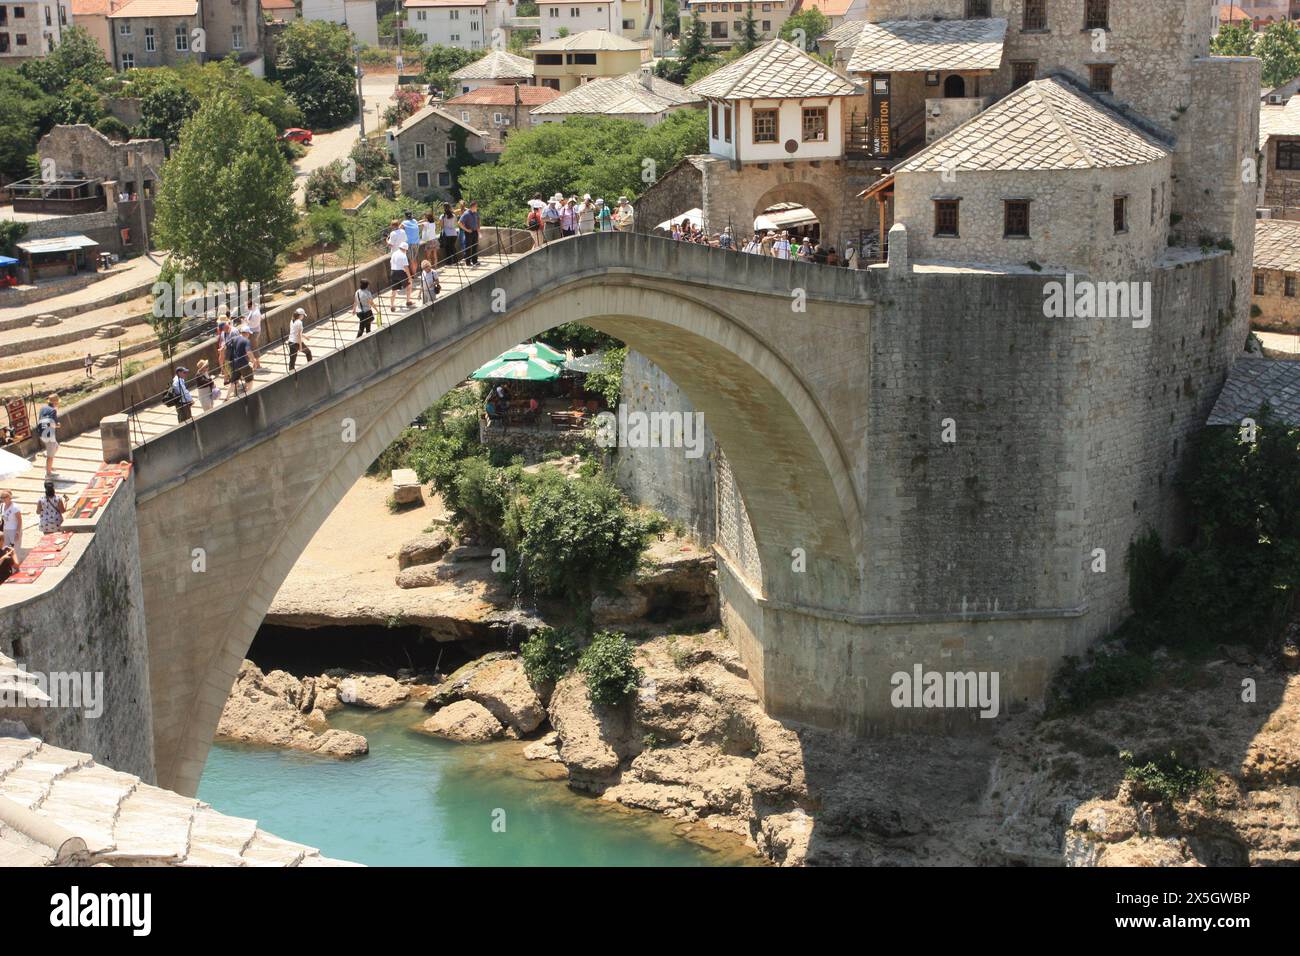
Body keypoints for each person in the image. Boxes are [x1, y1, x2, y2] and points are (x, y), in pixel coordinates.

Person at [36, 394, 59, 478]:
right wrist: (58, 425)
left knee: (56, 446)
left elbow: (41, 419)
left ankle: (48, 464)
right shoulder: (53, 411)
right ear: (55, 402)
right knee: (50, 456)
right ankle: (48, 473)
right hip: (49, 434)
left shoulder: (43, 408)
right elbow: (55, 424)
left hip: (42, 433)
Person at [227, 329, 252, 397]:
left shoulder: (233, 338)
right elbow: (249, 352)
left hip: (233, 363)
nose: (249, 335)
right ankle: (249, 394)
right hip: (243, 363)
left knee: (233, 382)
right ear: (246, 333)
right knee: (250, 380)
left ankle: (227, 398)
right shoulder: (246, 341)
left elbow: (225, 347)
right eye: (249, 333)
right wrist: (254, 360)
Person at [389, 241, 413, 310]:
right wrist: (409, 277)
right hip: (401, 273)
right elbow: (406, 267)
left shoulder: (394, 253)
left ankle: (392, 305)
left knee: (394, 290)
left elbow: (391, 263)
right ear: (405, 249)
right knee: (409, 285)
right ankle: (408, 301)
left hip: (393, 272)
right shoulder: (403, 255)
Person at [244, 299, 264, 371]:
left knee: (254, 347)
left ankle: (257, 364)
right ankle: (256, 364)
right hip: (253, 331)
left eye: (247, 306)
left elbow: (253, 324)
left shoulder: (255, 313)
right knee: (252, 347)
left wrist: (246, 321)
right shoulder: (254, 310)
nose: (247, 308)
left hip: (254, 332)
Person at [459, 201, 481, 266]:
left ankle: (475, 261)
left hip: (475, 232)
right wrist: (467, 230)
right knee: (468, 247)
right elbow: (459, 223)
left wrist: (478, 228)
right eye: (476, 206)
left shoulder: (475, 213)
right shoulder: (466, 214)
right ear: (473, 206)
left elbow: (478, 220)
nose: (477, 207)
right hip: (469, 232)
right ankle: (468, 262)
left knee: (475, 247)